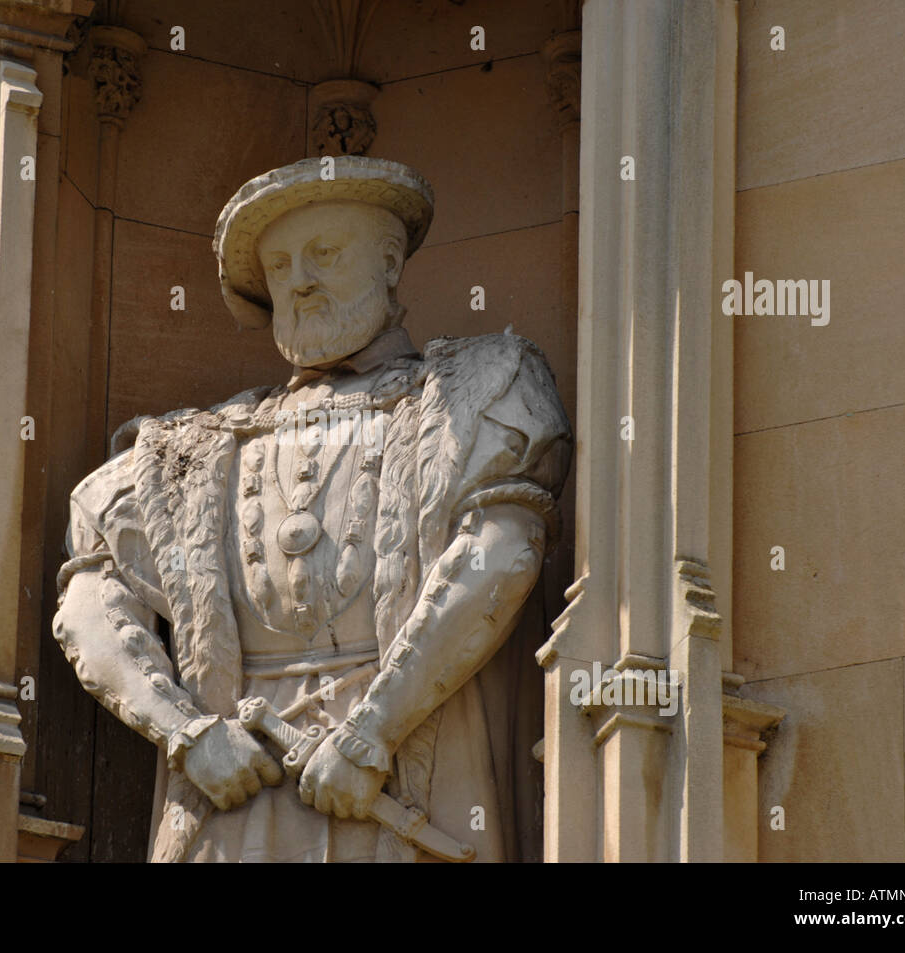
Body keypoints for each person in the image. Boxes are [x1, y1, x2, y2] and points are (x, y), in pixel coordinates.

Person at [53, 156, 572, 862]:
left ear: (391, 262)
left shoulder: (479, 388)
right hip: (229, 804)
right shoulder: (189, 446)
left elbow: (502, 552)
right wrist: (191, 734)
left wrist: (373, 733)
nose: (299, 279)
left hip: (407, 792)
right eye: (280, 265)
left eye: (324, 253)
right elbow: (89, 603)